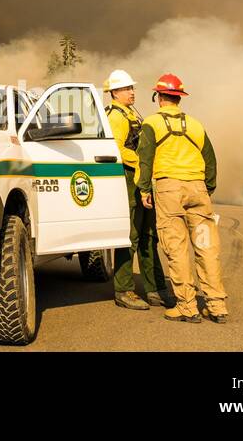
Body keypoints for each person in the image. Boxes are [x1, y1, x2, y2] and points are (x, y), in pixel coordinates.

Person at [136, 74, 228, 324]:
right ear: (179, 98)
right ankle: (216, 305)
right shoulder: (196, 124)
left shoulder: (152, 124)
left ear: (159, 97)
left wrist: (144, 189)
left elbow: (145, 159)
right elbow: (210, 160)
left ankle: (187, 307)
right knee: (206, 247)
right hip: (197, 190)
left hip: (169, 191)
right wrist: (207, 188)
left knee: (177, 249)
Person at [103, 70, 168, 310]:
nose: (132, 92)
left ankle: (155, 289)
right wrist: (143, 161)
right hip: (129, 179)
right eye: (127, 88)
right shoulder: (115, 116)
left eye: (132, 88)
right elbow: (117, 150)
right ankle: (124, 290)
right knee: (129, 237)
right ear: (114, 92)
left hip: (141, 178)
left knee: (149, 236)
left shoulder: (131, 113)